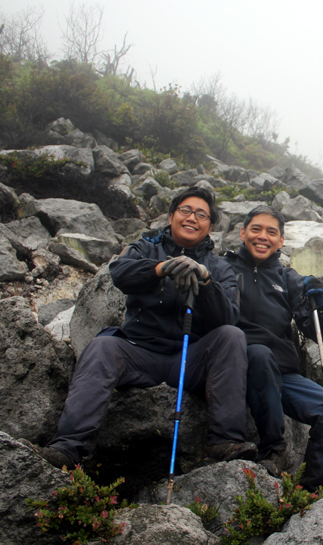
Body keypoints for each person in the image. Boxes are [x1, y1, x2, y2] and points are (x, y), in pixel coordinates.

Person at [24, 186, 257, 469]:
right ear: (171, 216)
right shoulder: (146, 247)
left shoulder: (220, 268)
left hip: (189, 360)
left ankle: (224, 441)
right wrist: (161, 268)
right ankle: (67, 448)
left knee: (232, 336)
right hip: (138, 353)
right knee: (103, 346)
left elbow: (227, 317)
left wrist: (206, 281)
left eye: (201, 215)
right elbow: (120, 273)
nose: (192, 218)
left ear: (210, 227)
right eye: (185, 211)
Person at [225, 205, 323, 491]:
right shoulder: (224, 268)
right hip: (232, 364)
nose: (263, 237)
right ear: (242, 233)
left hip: (281, 374)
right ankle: (273, 450)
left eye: (272, 232)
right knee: (259, 353)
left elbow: (318, 332)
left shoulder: (287, 278)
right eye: (256, 229)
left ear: (281, 241)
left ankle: (314, 494)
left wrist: (322, 303)